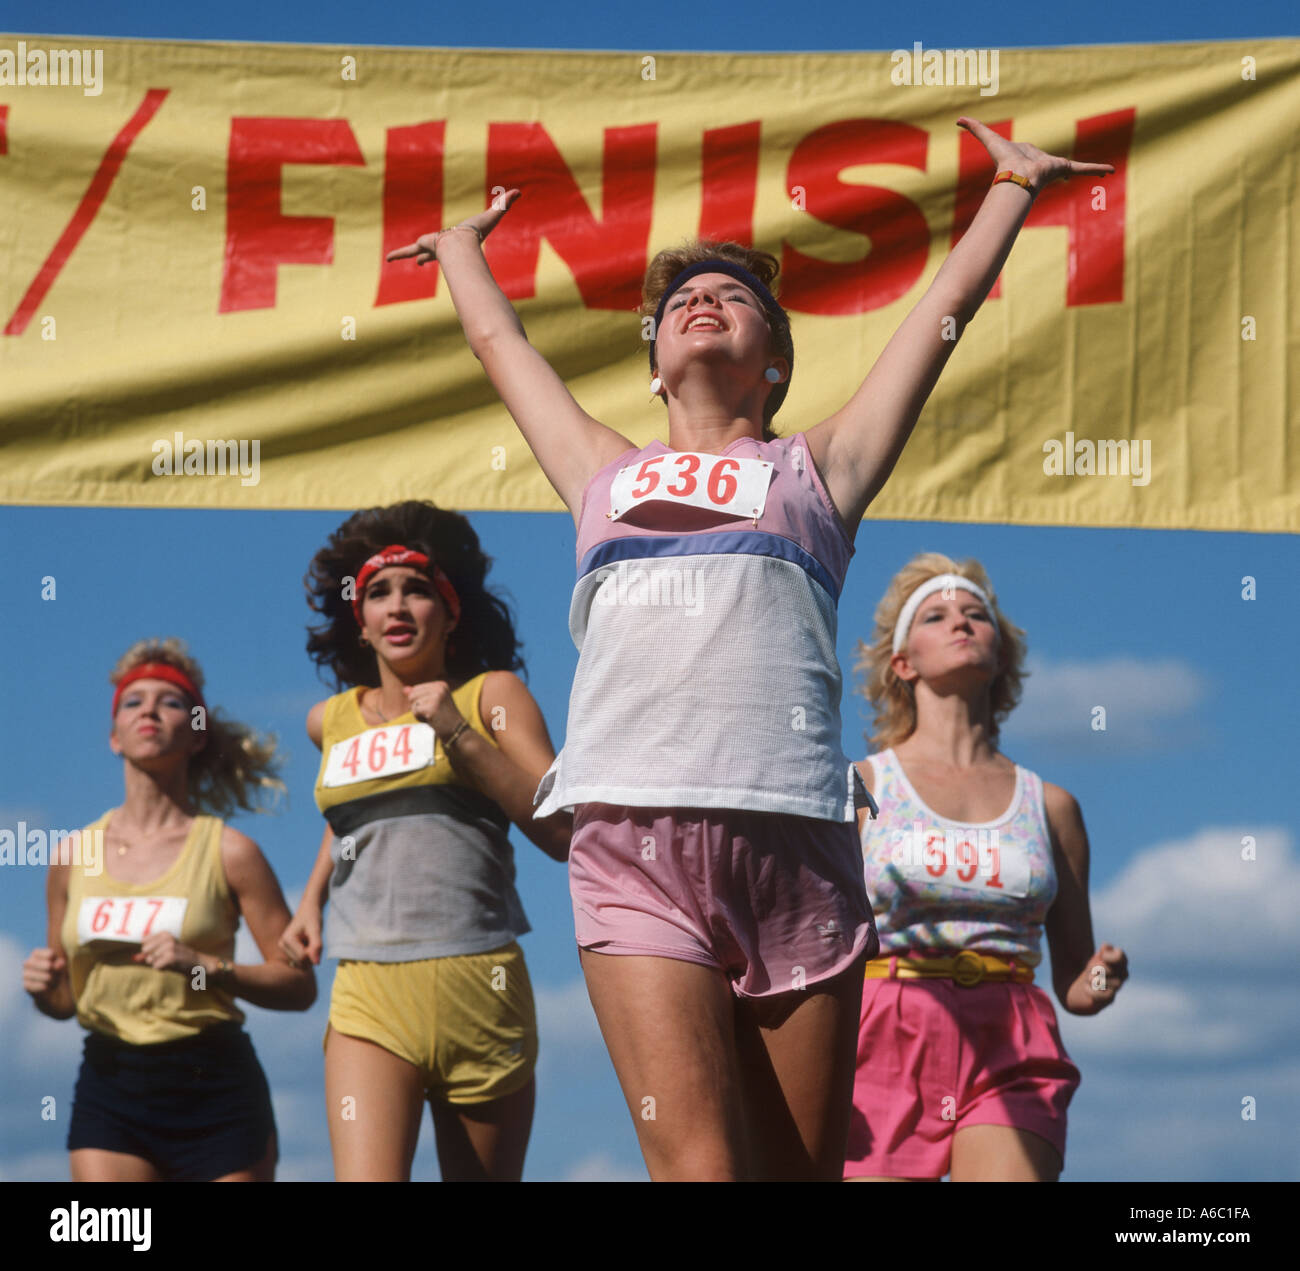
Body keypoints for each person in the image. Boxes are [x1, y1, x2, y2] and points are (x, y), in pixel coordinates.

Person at [387, 116, 1115, 1181]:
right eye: (681, 299)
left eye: (734, 296)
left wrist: (1010, 186)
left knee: (797, 1170)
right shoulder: (601, 471)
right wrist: (461, 253)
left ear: (772, 360)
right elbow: (505, 349)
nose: (701, 298)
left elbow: (937, 319)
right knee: (697, 1167)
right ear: (653, 365)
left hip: (798, 851)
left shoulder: (818, 469)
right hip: (632, 844)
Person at [280, 500, 570, 1182]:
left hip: (480, 979)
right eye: (378, 592)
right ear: (361, 619)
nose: (398, 604)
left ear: (451, 610)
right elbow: (351, 816)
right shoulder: (329, 721)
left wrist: (459, 736)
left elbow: (561, 828)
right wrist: (308, 902)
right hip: (368, 990)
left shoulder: (491, 696)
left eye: (417, 588)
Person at [844, 555, 1129, 1181]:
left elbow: (1078, 989)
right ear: (902, 662)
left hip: (1014, 1036)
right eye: (937, 616)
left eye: (977, 614)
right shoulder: (858, 786)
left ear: (1001, 657)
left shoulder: (1052, 806)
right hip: (881, 1029)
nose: (962, 623)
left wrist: (1107, 977)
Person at [22, 638, 314, 1182]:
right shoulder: (70, 855)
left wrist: (200, 965)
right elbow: (66, 1001)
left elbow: (299, 987)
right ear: (114, 737)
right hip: (112, 1086)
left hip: (215, 1086)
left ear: (197, 732)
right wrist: (44, 990)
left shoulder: (232, 853)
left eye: (171, 701)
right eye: (133, 702)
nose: (150, 710)